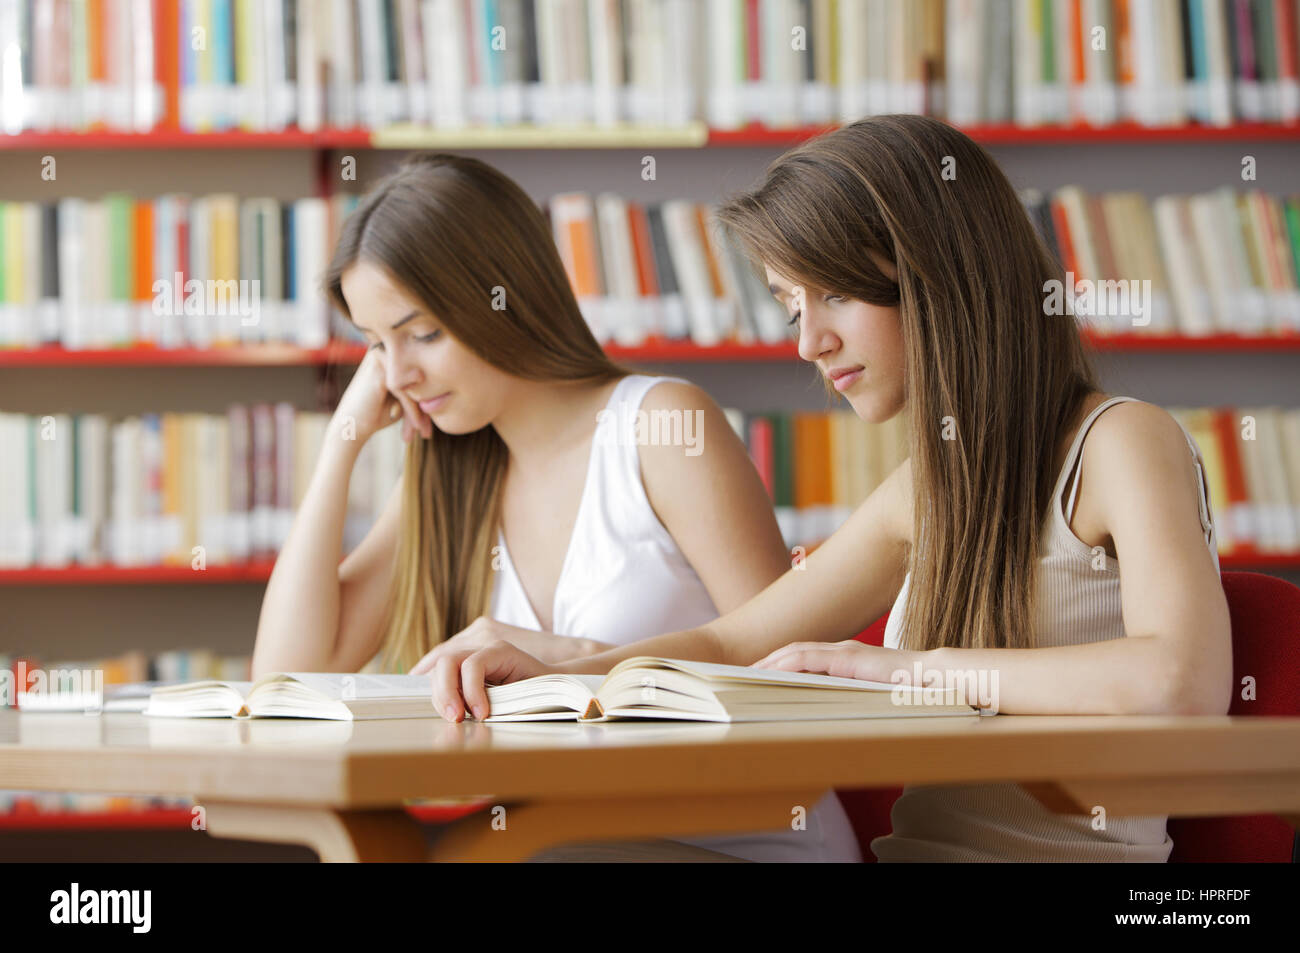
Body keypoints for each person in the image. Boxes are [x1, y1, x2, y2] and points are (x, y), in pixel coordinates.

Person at [430, 115, 1233, 862]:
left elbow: (1182, 682)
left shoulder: (1122, 441)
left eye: (835, 294)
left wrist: (907, 668)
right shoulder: (924, 490)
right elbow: (727, 643)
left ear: (938, 272)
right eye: (791, 307)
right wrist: (561, 680)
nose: (811, 340)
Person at [250, 152, 861, 862]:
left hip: (739, 839)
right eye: (375, 344)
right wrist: (343, 442)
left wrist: (576, 660)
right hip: (567, 843)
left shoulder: (660, 428)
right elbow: (282, 680)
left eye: (421, 334)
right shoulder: (449, 474)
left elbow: (789, 683)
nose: (398, 374)